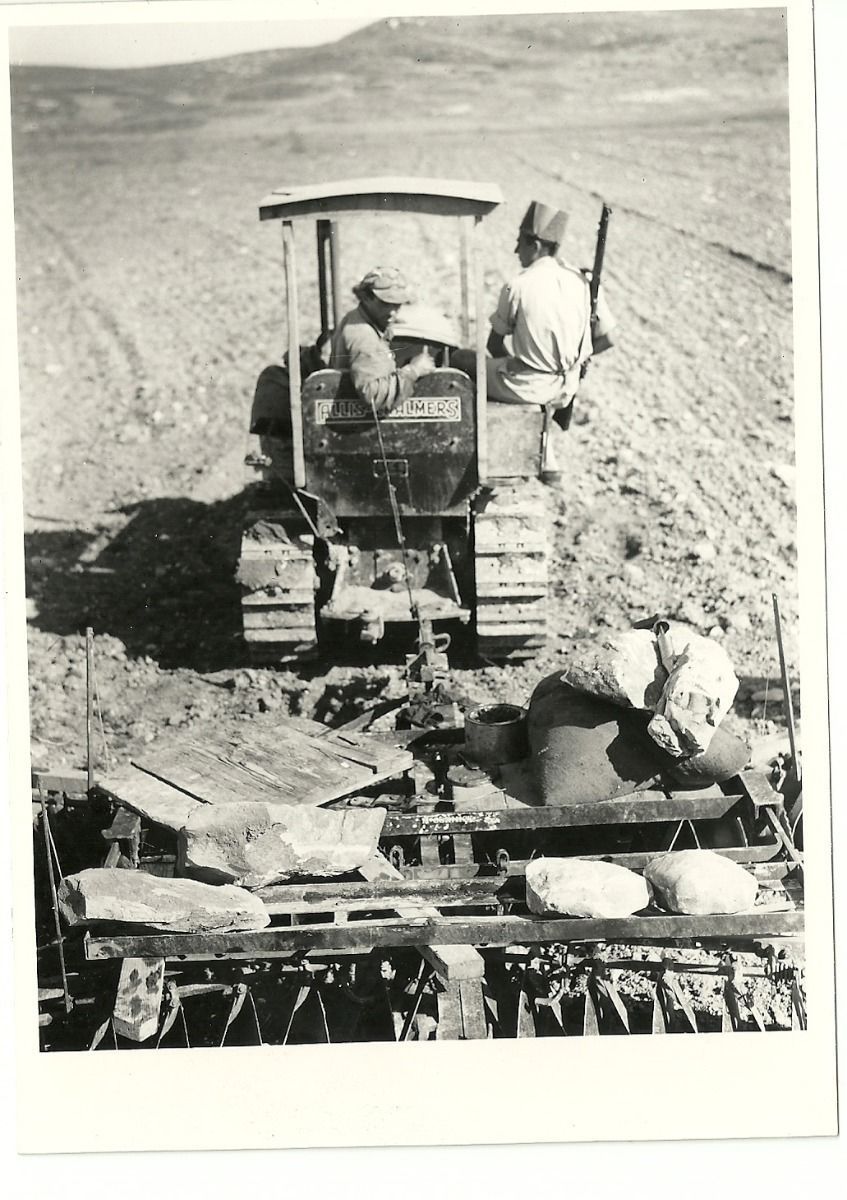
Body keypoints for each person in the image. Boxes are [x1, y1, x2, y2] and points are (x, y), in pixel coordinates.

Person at [329, 267, 435, 414]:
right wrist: (414, 370)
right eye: (385, 303)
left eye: (397, 304)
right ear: (366, 297)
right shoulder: (363, 335)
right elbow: (374, 397)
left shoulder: (358, 318)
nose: (393, 312)